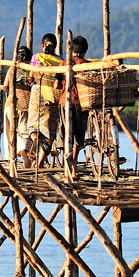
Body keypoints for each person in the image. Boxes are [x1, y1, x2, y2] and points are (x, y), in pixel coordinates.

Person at [26, 33, 63, 169]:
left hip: (37, 92)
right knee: (49, 131)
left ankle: (35, 138)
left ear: (43, 45)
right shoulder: (61, 60)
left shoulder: (36, 57)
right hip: (52, 96)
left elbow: (31, 78)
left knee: (33, 125)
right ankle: (40, 163)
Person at [60, 35, 90, 179]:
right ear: (85, 51)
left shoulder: (63, 64)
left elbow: (56, 84)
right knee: (78, 138)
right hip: (79, 103)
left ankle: (66, 168)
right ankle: (73, 169)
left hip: (64, 102)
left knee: (67, 136)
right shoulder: (88, 64)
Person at [3, 45, 33, 163]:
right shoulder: (31, 70)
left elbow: (5, 87)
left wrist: (12, 90)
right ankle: (25, 151)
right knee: (24, 131)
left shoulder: (12, 69)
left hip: (11, 105)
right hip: (26, 106)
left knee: (11, 132)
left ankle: (14, 157)